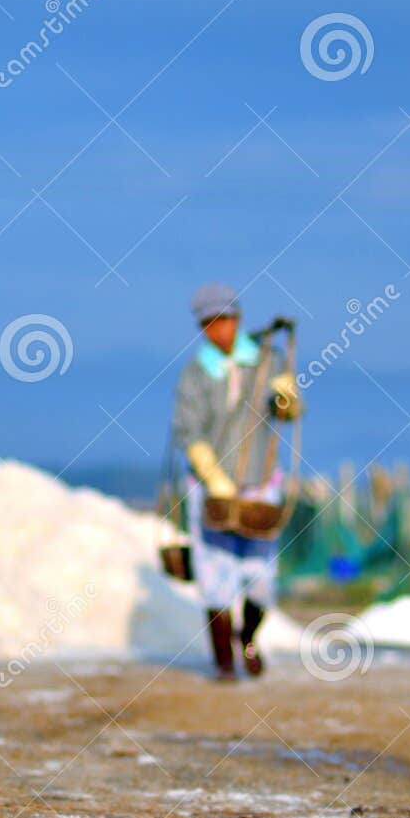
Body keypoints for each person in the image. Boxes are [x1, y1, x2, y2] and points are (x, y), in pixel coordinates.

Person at [171, 283, 301, 680]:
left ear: (238, 319)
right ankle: (224, 664)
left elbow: (289, 414)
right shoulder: (196, 372)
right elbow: (186, 430)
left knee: (260, 580)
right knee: (215, 581)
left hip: (260, 483)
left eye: (224, 319)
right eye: (209, 323)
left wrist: (286, 398)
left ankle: (248, 637)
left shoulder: (269, 359)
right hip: (212, 490)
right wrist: (210, 473)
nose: (219, 329)